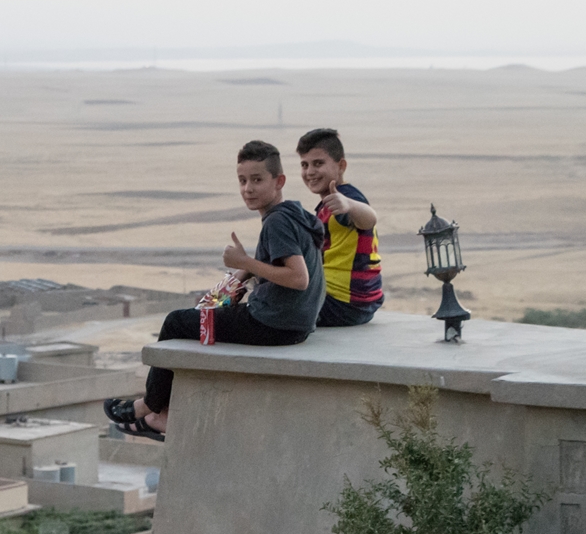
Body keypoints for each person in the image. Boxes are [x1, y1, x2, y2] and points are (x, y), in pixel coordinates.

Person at [103, 140, 325, 440]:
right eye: (242, 181)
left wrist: (243, 260)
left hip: (272, 325)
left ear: (279, 181)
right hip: (295, 325)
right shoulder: (294, 215)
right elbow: (266, 268)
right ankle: (158, 411)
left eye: (257, 180)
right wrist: (232, 281)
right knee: (197, 316)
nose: (248, 188)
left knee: (176, 322)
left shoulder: (276, 222)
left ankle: (152, 409)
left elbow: (299, 279)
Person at [297, 128, 383, 327]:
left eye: (318, 163)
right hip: (353, 303)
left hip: (344, 303)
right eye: (304, 164)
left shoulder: (346, 198)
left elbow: (369, 219)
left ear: (341, 165)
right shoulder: (329, 204)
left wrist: (349, 206)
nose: (310, 172)